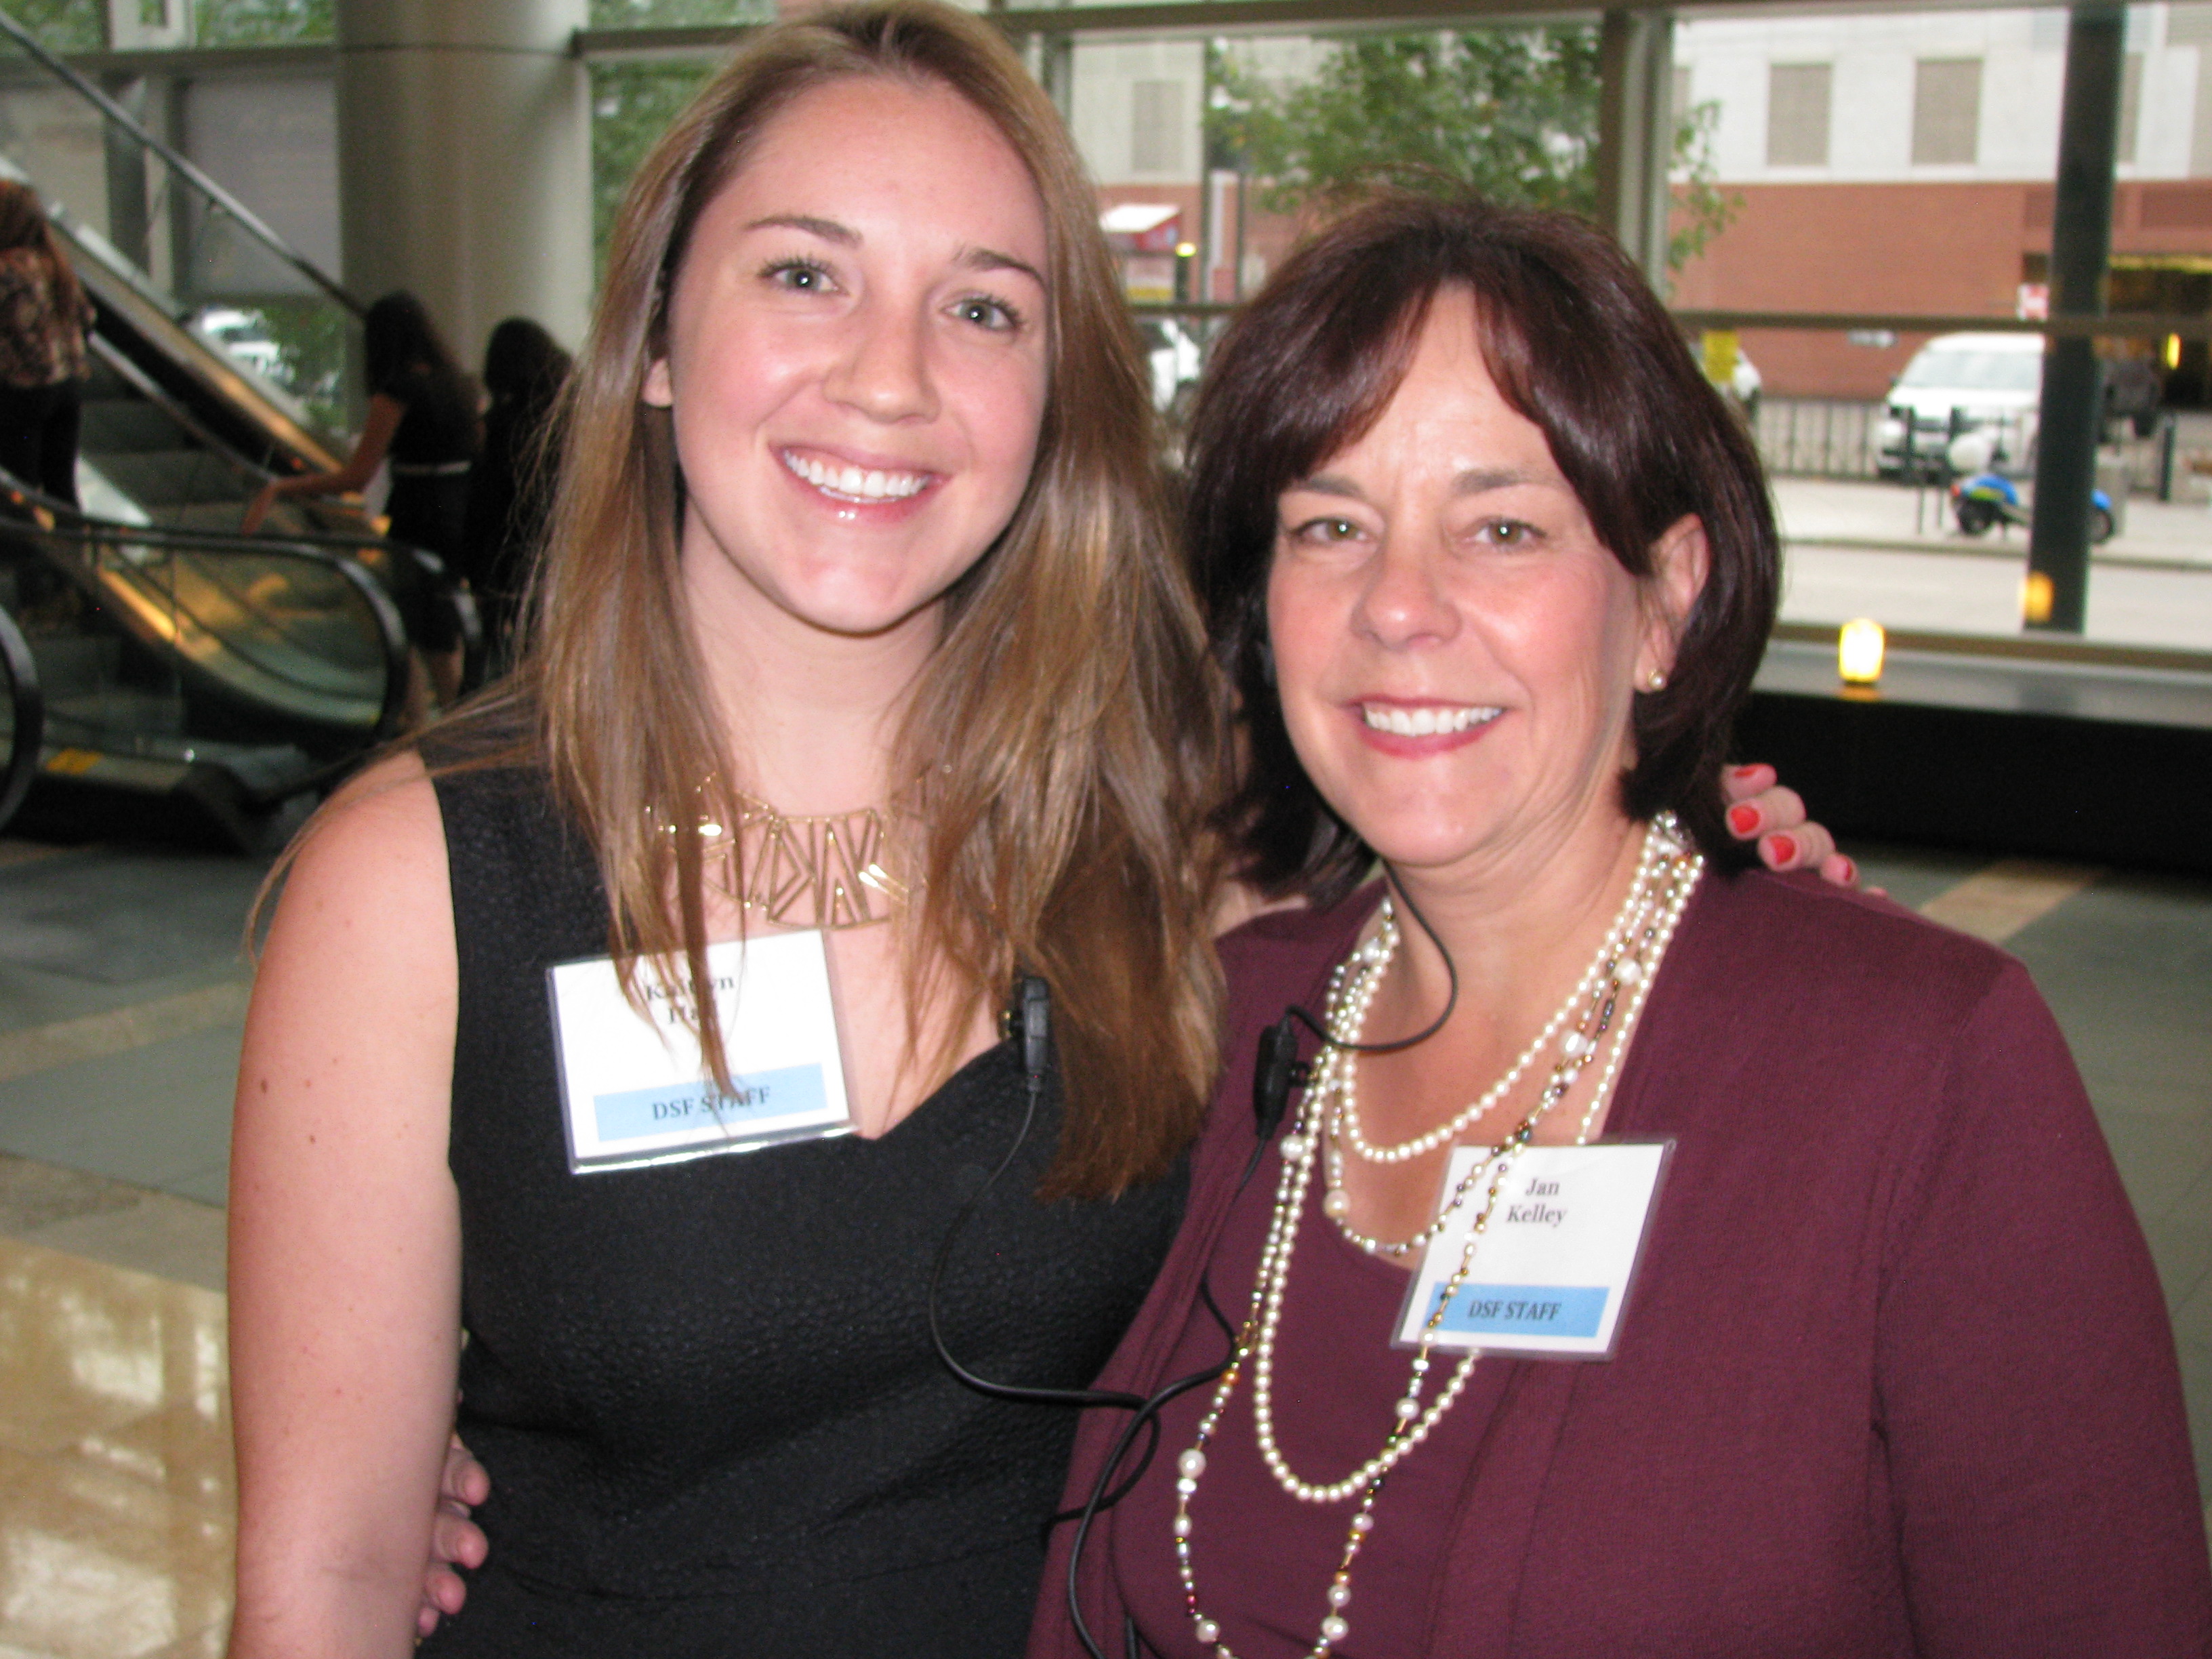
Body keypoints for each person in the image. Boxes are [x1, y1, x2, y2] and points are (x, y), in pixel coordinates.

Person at [261, 13, 1843, 1656]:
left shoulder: (1175, 852)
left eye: (982, 307)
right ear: (654, 334)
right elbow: (323, 1586)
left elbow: (1526, 947)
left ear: (1050, 393)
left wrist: (1722, 871)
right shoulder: (416, 883)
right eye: (804, 274)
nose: (888, 376)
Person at [1029, 193, 2211, 1658]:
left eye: (1504, 526)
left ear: (1667, 600)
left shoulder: (1917, 1073)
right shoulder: (1228, 1026)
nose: (1401, 605)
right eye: (1332, 525)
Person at [243, 290, 478, 703]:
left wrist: (282, 487)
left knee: (415, 630)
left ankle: (419, 726)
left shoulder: (397, 391)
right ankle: (447, 722)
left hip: (417, 517)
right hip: (460, 511)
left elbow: (357, 475)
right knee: (445, 634)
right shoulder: (460, 385)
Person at [460, 317, 571, 672]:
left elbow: (486, 503)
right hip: (569, 549)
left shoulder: (501, 426)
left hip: (516, 557)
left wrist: (475, 570)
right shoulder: (576, 415)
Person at [0, 179, 94, 510]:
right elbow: (87, 317)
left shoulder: (6, 270)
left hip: (24, 392)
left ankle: (27, 558)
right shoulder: (53, 263)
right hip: (67, 385)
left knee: (18, 487)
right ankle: (76, 555)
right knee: (61, 484)